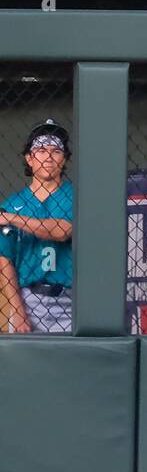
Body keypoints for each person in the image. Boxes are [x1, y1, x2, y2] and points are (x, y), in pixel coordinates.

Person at [0, 120, 75, 334]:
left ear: (64, 159)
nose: (49, 157)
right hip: (28, 301)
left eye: (56, 151)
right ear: (29, 158)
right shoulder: (13, 203)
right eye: (41, 150)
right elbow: (5, 263)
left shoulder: (74, 196)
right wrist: (18, 311)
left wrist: (14, 219)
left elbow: (62, 231)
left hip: (72, 300)